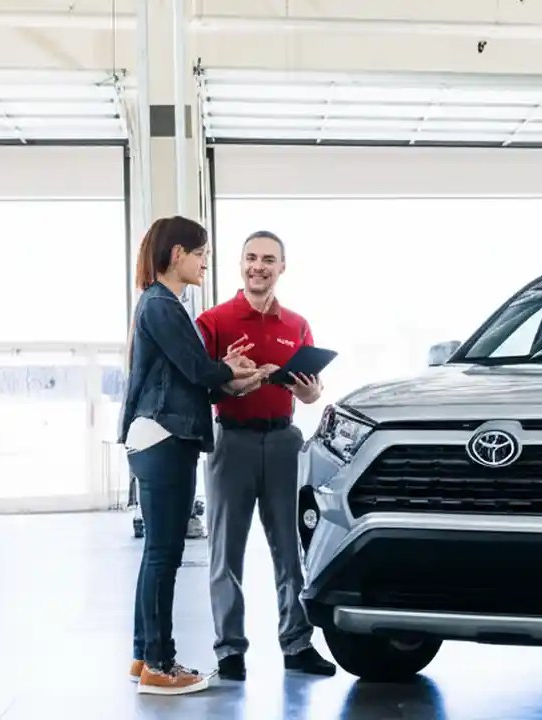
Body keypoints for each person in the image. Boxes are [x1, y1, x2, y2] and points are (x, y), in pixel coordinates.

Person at [119, 216, 268, 695]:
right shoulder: (162, 304)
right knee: (164, 554)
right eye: (200, 253)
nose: (205, 262)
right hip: (164, 436)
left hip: (161, 434)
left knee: (157, 553)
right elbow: (198, 370)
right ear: (177, 254)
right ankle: (160, 666)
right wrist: (226, 368)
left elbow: (192, 376)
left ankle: (145, 656)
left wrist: (233, 372)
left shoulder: (163, 305)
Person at [195, 230, 337, 680]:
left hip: (283, 443)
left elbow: (312, 392)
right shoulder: (214, 322)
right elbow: (198, 384)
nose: (259, 266)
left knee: (290, 550)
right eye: (252, 258)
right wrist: (241, 379)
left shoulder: (297, 325)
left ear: (282, 268)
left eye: (269, 260)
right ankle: (229, 650)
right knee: (225, 551)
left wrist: (310, 393)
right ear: (241, 264)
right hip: (231, 441)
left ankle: (297, 644)